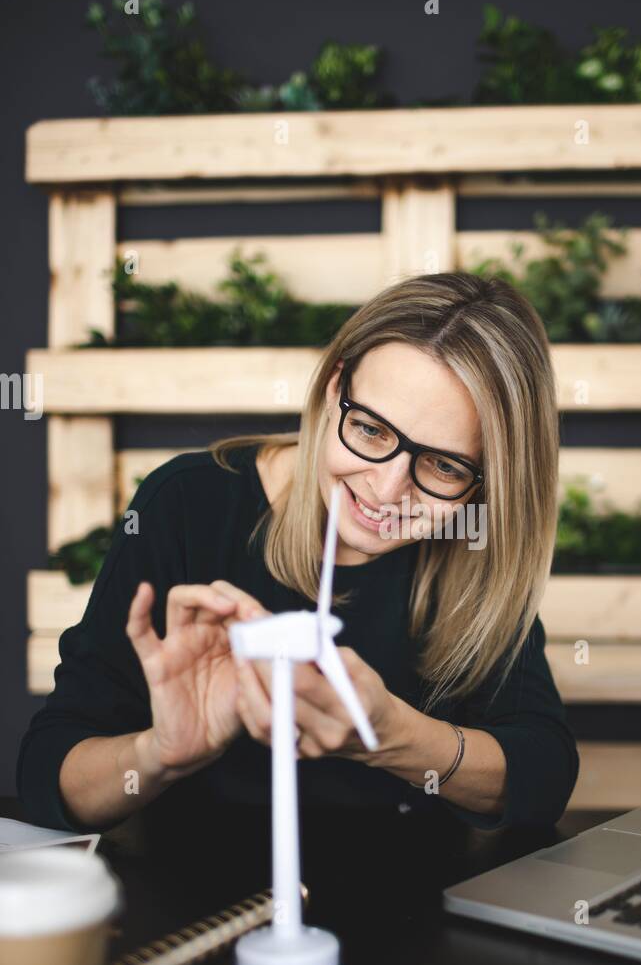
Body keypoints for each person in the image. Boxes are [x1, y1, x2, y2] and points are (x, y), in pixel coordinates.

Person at [17, 272, 579, 836]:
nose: (385, 492)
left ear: (486, 483)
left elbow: (543, 773)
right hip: (194, 899)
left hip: (416, 899)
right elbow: (49, 774)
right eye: (371, 430)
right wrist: (161, 753)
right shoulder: (187, 504)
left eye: (444, 466)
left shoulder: (473, 540)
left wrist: (394, 737)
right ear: (335, 390)